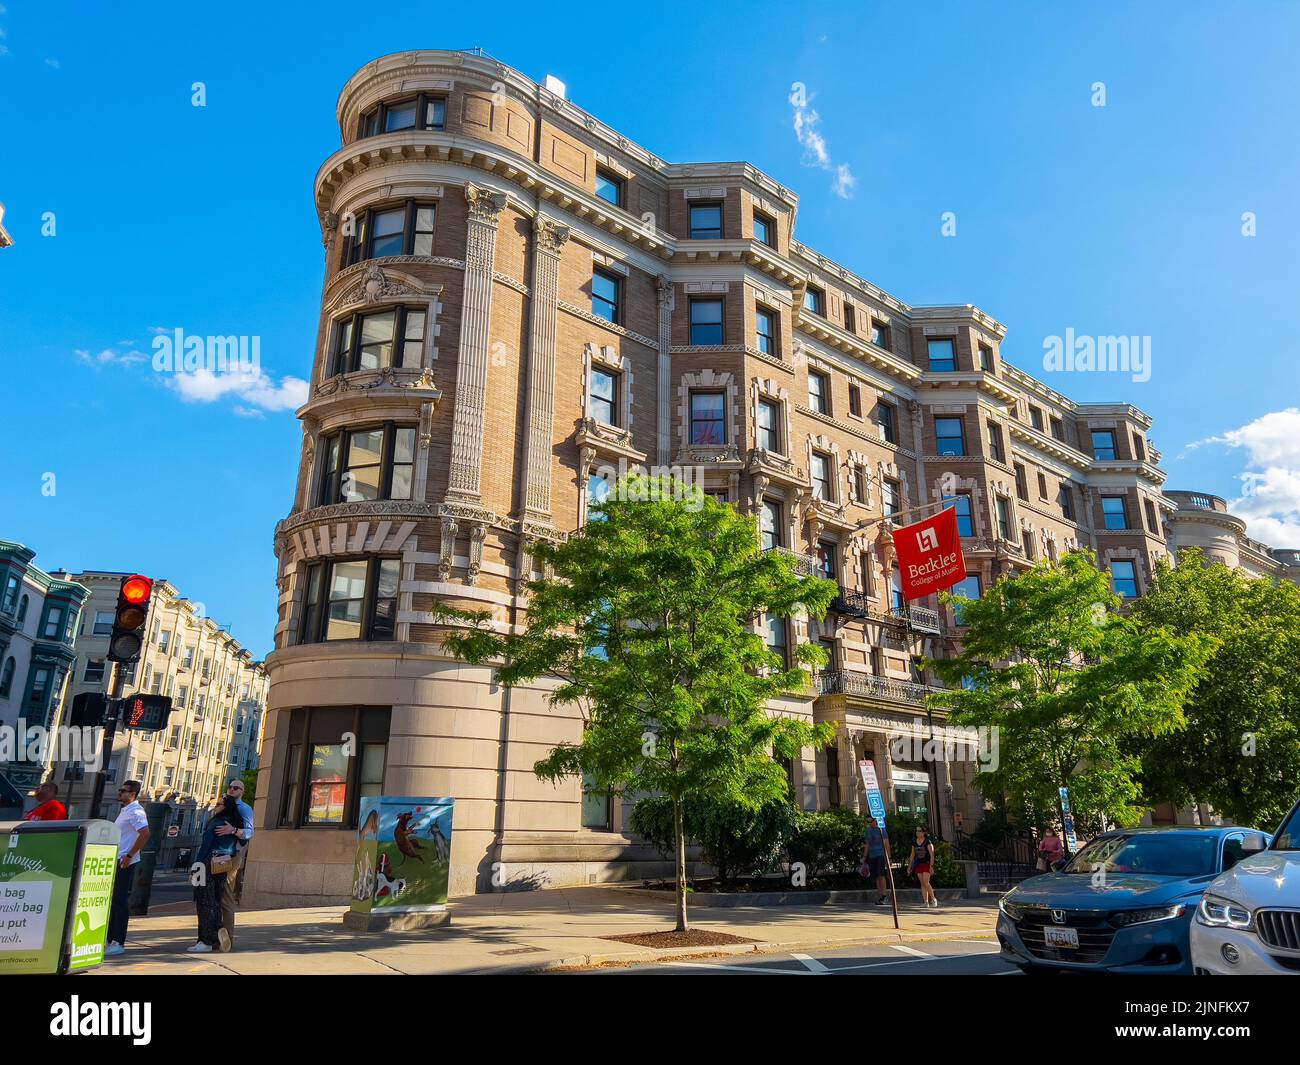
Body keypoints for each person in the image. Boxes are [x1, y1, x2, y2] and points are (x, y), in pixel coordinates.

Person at [188, 794, 245, 953]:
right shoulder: (234, 822)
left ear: (225, 807)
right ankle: (218, 930)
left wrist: (196, 866)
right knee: (215, 900)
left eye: (219, 804)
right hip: (224, 862)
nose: (215, 807)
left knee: (204, 900)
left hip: (208, 862)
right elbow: (243, 841)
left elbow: (206, 845)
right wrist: (234, 832)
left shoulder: (215, 822)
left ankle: (206, 940)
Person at [105, 780, 151, 956]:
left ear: (132, 794)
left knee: (120, 900)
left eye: (123, 791)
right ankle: (109, 939)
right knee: (114, 900)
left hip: (125, 861)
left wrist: (130, 855)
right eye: (120, 789)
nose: (119, 792)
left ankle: (118, 940)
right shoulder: (126, 811)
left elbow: (145, 833)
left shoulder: (136, 811)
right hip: (117, 859)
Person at [217, 778, 255, 942]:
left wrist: (233, 830)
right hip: (217, 854)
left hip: (232, 854)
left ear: (242, 791)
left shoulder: (244, 809)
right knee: (214, 893)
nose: (232, 790)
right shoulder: (223, 806)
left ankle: (228, 936)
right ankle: (215, 933)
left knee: (226, 892)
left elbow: (249, 832)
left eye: (236, 788)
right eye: (230, 787)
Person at [861, 816, 890, 905]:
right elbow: (867, 844)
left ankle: (885, 896)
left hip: (881, 855)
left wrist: (889, 857)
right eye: (869, 822)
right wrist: (864, 857)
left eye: (871, 821)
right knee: (876, 876)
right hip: (872, 856)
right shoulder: (868, 830)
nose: (870, 823)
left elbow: (886, 844)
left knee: (881, 875)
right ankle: (881, 896)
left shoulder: (882, 830)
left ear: (876, 821)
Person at [908, 825, 938, 908]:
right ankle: (925, 902)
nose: (917, 832)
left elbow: (932, 855)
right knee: (922, 883)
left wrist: (931, 866)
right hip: (918, 864)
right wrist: (909, 866)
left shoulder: (928, 842)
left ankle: (933, 899)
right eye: (916, 831)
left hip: (927, 863)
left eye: (919, 831)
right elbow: (912, 855)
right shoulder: (914, 842)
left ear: (924, 832)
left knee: (926, 882)